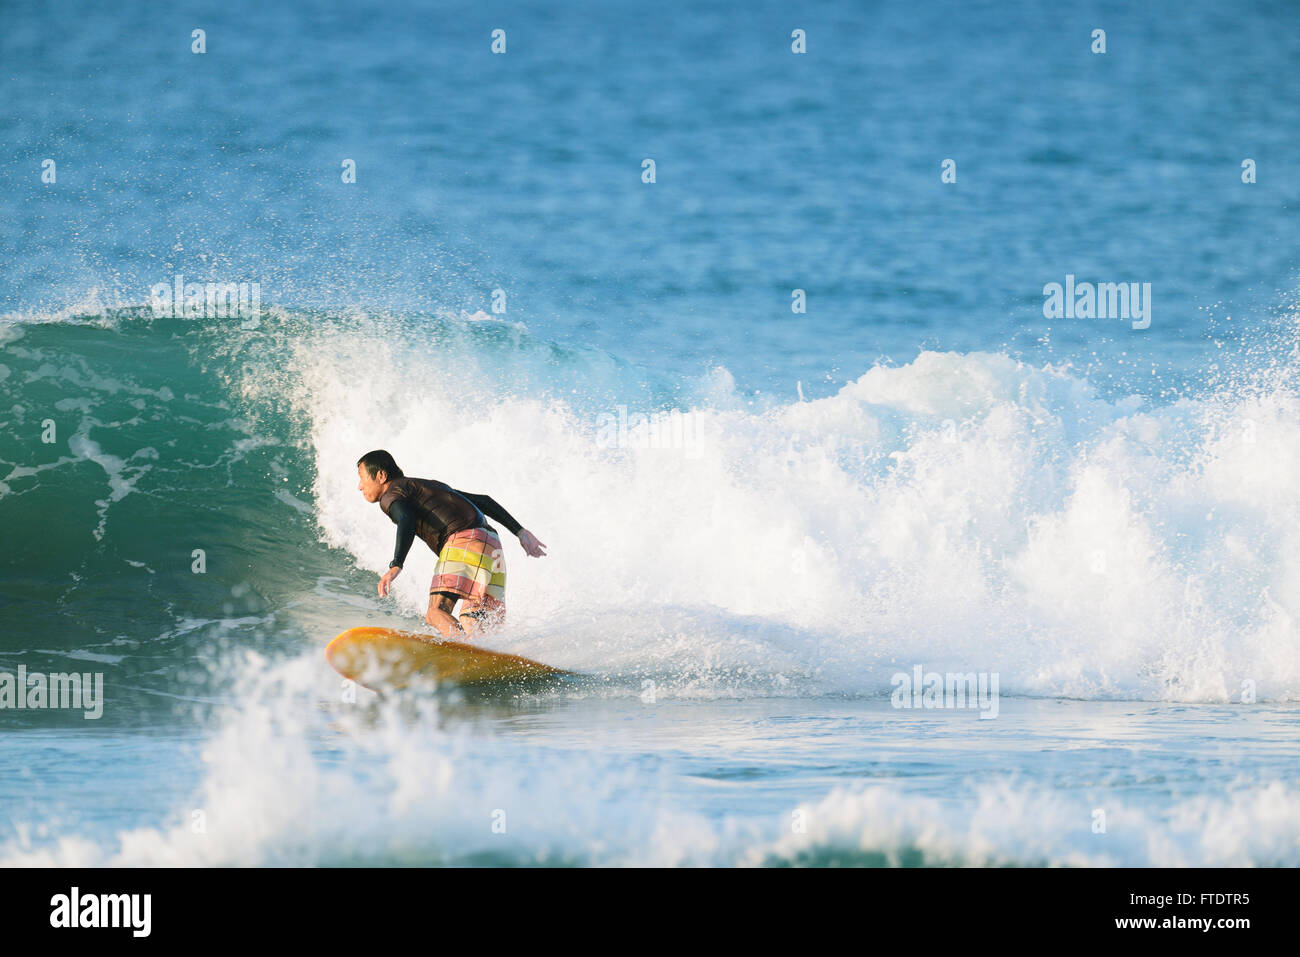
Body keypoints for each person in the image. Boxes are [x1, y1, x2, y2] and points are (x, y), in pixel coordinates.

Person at [355, 450, 546, 638]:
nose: (359, 486)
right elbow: (483, 501)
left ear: (381, 475)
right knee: (474, 621)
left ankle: (467, 656)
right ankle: (485, 659)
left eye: (362, 478)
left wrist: (396, 564)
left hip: (464, 541)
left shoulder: (391, 493)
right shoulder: (430, 487)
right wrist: (520, 532)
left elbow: (406, 518)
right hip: (491, 546)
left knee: (435, 612)